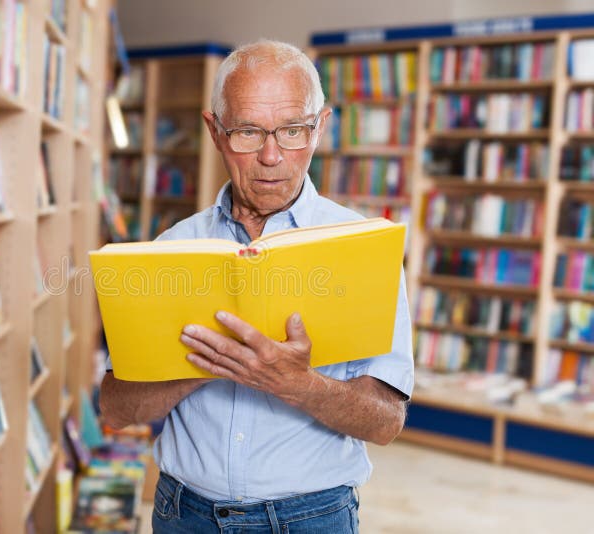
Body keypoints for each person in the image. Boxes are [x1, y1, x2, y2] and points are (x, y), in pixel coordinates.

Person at [99, 39, 413, 533]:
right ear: (215, 131)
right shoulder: (172, 248)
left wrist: (298, 384)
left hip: (312, 518)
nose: (272, 156)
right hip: (184, 514)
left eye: (292, 130)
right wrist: (208, 363)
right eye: (248, 131)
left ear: (321, 127)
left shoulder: (363, 246)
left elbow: (385, 422)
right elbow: (115, 409)